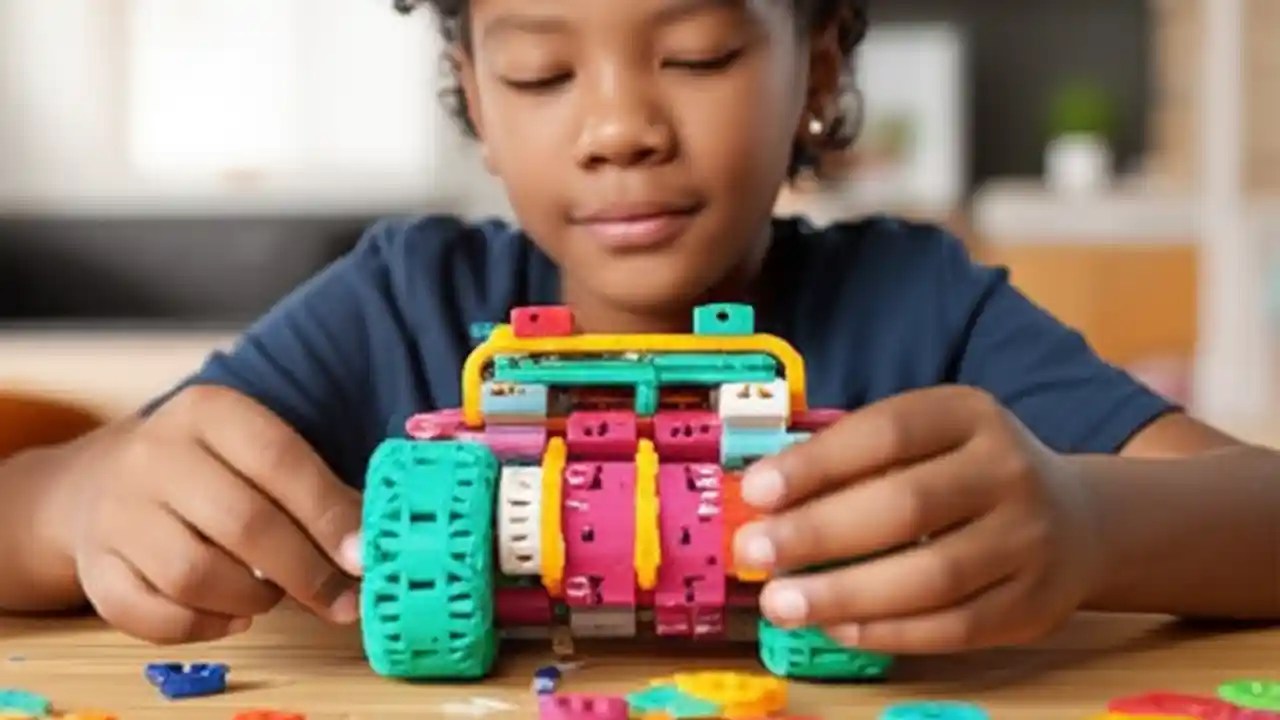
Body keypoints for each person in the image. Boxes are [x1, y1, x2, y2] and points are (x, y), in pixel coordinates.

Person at [1, 0, 1276, 652]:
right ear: (472, 97)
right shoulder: (392, 305)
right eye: (542, 73)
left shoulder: (922, 311)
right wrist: (82, 501)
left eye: (702, 53)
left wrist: (1090, 525)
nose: (618, 125)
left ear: (817, 69)